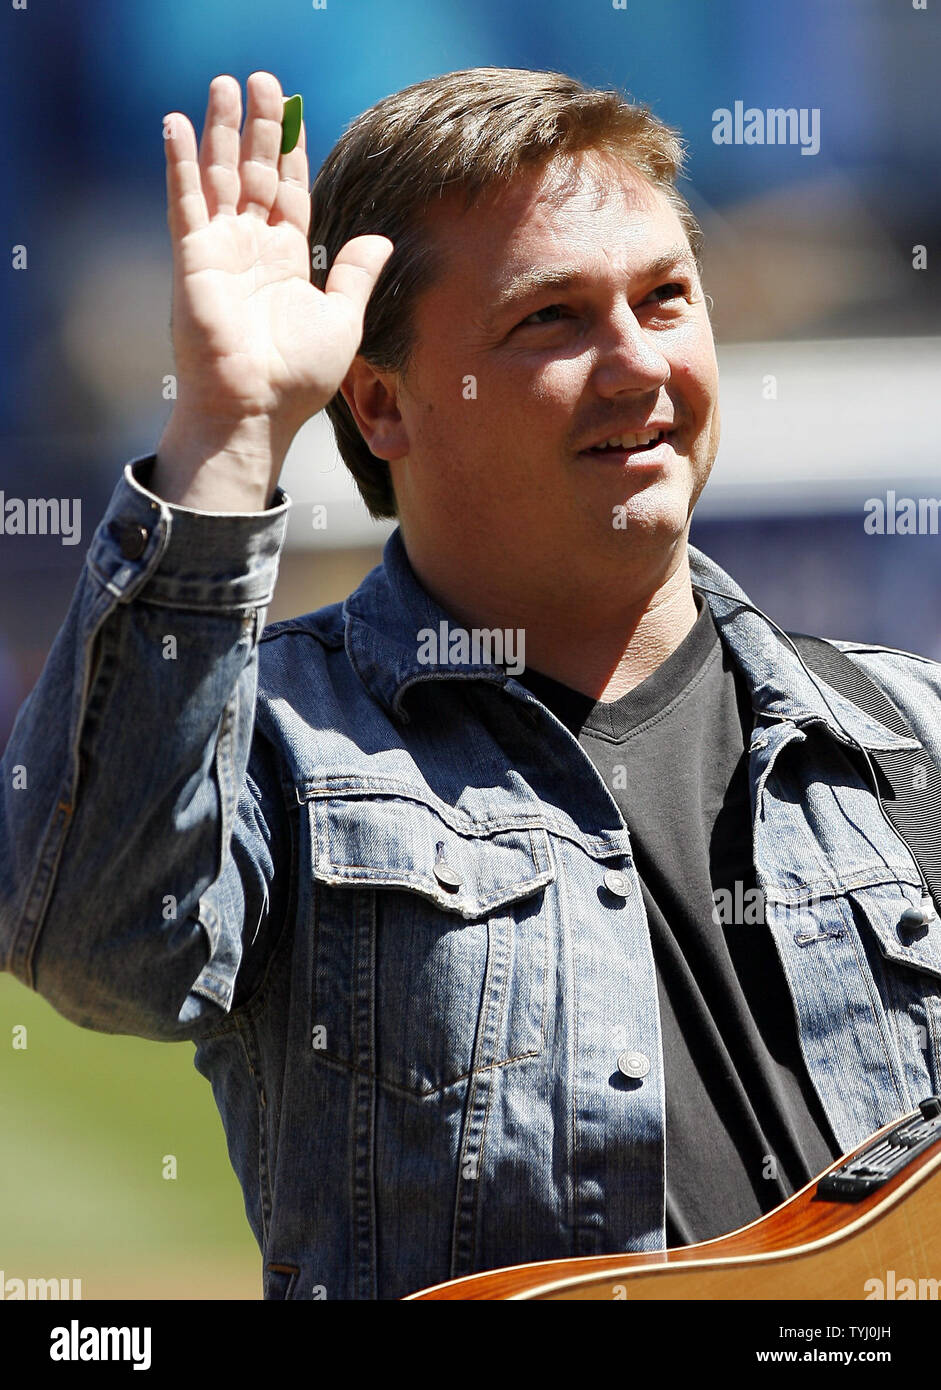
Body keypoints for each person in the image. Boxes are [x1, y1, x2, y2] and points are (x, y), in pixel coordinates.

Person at [2, 66, 940, 1303]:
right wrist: (228, 433)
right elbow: (93, 945)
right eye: (550, 318)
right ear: (382, 402)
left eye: (664, 299)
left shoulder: (904, 726)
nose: (634, 365)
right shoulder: (280, 738)